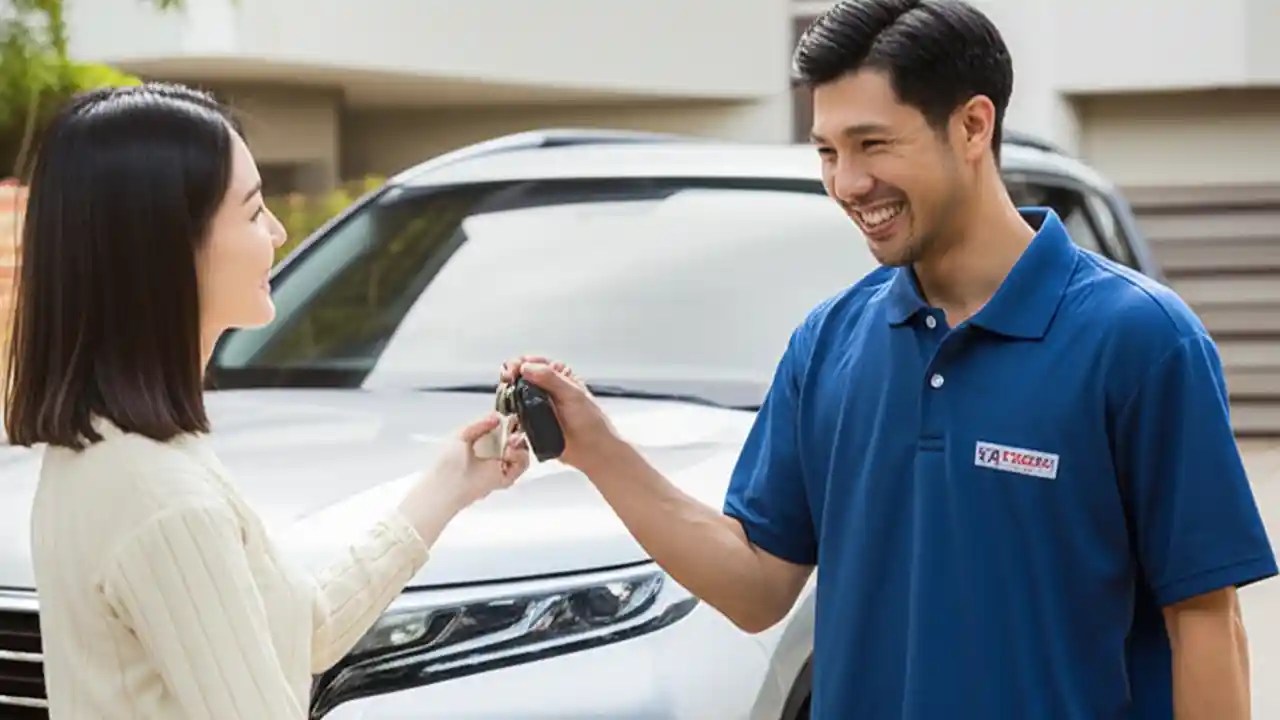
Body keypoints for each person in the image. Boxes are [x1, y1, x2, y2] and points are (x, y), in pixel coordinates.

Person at [500, 1, 1277, 718]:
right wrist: (596, 450)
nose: (848, 182)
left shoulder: (1138, 339)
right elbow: (757, 586)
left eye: (874, 144)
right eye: (829, 150)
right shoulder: (830, 340)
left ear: (974, 127)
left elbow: (1207, 626)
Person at [3, 82, 529, 719]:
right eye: (253, 212)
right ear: (170, 246)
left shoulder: (108, 453)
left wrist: (451, 482)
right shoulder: (163, 498)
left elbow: (305, 629)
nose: (278, 232)